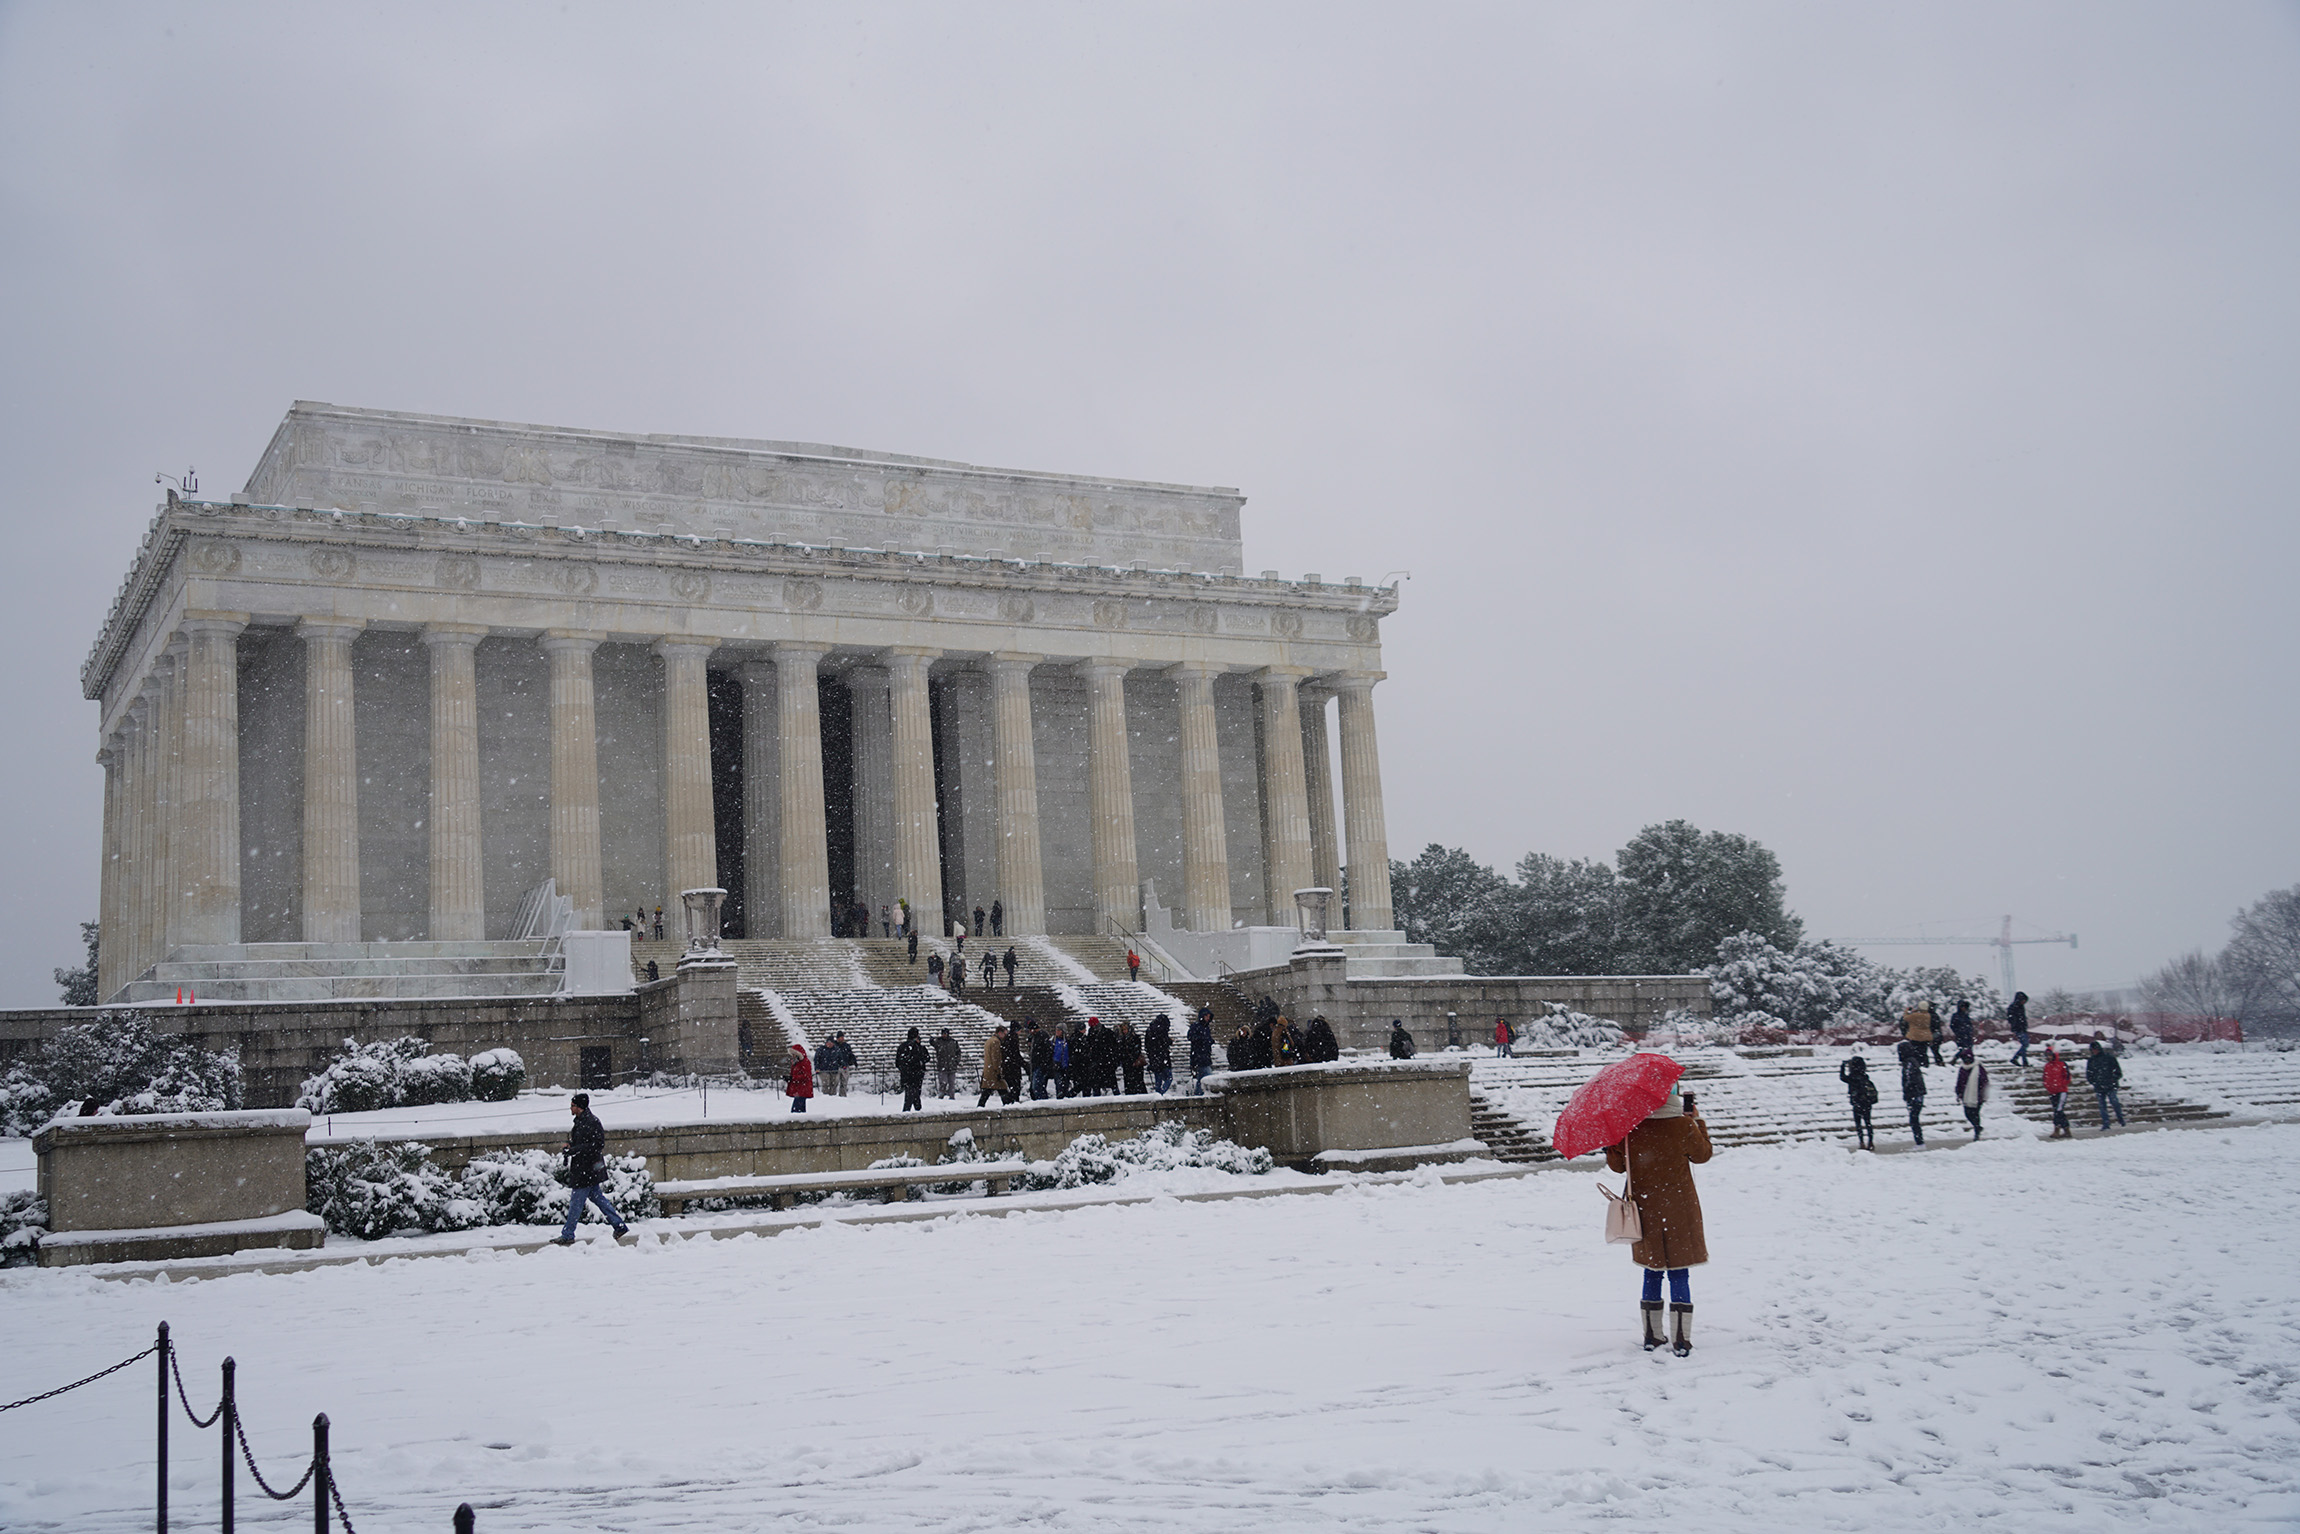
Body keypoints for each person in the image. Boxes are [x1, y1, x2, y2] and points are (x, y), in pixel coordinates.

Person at [1604, 1086, 1712, 1356]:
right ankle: (1681, 1339)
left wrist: (1611, 1140)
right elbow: (1703, 1155)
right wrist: (1697, 1121)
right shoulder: (1683, 1125)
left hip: (1645, 1208)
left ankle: (1652, 1336)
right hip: (1680, 1208)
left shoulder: (1631, 1128)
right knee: (1679, 1270)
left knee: (1651, 1270)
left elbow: (1618, 1167)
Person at [553, 1092, 630, 1244]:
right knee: (598, 1199)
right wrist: (571, 1145)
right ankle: (619, 1225)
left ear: (580, 1107)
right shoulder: (582, 1121)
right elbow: (584, 1142)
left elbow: (597, 1144)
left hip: (586, 1170)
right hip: (587, 1169)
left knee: (576, 1202)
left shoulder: (591, 1122)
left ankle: (568, 1234)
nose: (570, 1108)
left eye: (573, 1105)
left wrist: (575, 1149)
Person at [1839, 1054, 1879, 1149]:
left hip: (1857, 1102)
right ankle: (1870, 1142)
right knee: (1868, 1122)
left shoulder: (1852, 1078)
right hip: (1867, 1102)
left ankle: (1861, 1142)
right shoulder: (1865, 1077)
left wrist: (1842, 1066)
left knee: (1858, 1124)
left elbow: (1842, 1077)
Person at [2085, 1039, 2126, 1130]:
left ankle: (2120, 1118)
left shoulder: (2109, 1058)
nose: (2094, 1051)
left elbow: (2117, 1071)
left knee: (2114, 1102)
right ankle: (2106, 1123)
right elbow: (2089, 1074)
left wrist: (2112, 1079)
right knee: (2102, 1105)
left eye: (2095, 1049)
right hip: (2100, 1086)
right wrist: (2094, 1082)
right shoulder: (2092, 1060)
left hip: (2110, 1085)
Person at [1897, 1036, 1929, 1146]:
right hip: (1917, 1093)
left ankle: (1920, 1142)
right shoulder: (1913, 1061)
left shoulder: (1908, 1063)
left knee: (1914, 1119)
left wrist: (1907, 1093)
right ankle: (1919, 1142)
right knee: (1914, 1119)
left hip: (1914, 1093)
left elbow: (1909, 1079)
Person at [1953, 1049, 1989, 1139]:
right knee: (1968, 1113)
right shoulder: (1962, 1069)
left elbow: (1984, 1081)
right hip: (1966, 1095)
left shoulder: (1979, 1068)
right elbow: (1959, 1082)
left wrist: (1982, 1093)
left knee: (1975, 1113)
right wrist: (1958, 1093)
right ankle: (1978, 1127)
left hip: (1977, 1095)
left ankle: (1977, 1131)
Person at [978, 1024, 1015, 1107]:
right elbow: (996, 1058)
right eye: (1004, 1034)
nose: (1005, 1036)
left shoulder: (989, 1040)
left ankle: (981, 1106)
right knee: (1002, 1088)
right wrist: (998, 1070)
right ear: (1000, 1033)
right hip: (993, 1072)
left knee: (988, 1090)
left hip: (988, 1070)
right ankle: (1008, 1105)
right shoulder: (996, 1042)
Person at [2041, 1045, 2073, 1138]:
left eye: (2050, 1055)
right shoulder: (2047, 1066)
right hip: (2052, 1091)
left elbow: (2067, 1077)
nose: (2048, 1057)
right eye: (2047, 1055)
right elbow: (2044, 1078)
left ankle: (2057, 1129)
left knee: (2058, 1111)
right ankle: (2066, 1129)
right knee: (2058, 1111)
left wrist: (2061, 1085)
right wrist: (2048, 1086)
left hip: (2061, 1091)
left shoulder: (2062, 1064)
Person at [896, 1026, 929, 1112]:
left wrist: (903, 1069)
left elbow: (898, 1062)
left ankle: (916, 1108)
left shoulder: (902, 1046)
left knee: (911, 1093)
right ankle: (913, 1109)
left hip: (907, 1075)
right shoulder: (917, 1047)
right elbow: (925, 1057)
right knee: (914, 1093)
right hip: (916, 1074)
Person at [1903, 1000, 1943, 1067]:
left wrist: (1907, 1011)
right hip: (1926, 1036)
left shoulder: (1915, 1015)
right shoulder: (1928, 1015)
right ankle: (1925, 1064)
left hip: (1915, 1036)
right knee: (1924, 1052)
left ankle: (1918, 1064)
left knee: (1916, 1051)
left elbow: (1905, 1018)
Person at [1188, 1007, 1215, 1093]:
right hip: (1199, 1056)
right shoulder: (1196, 1026)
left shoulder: (1206, 1028)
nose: (1208, 1018)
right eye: (1206, 1016)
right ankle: (1202, 1093)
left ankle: (1199, 1093)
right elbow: (1191, 1037)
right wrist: (1205, 1040)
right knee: (1208, 1076)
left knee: (1201, 1078)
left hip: (1204, 1055)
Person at [1145, 1012, 1174, 1094]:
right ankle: (1161, 1093)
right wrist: (1169, 1041)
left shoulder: (1150, 1030)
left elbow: (1147, 1045)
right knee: (1169, 1077)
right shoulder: (1162, 1030)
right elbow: (1163, 1042)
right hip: (1163, 1057)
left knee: (1158, 1079)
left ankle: (1158, 1094)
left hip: (1154, 1058)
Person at [1117, 1021, 1147, 1095]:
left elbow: (1137, 1050)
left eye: (1125, 1029)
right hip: (1127, 1064)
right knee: (1129, 1083)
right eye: (1123, 1030)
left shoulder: (1135, 1038)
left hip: (1135, 1064)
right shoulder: (1122, 1040)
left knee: (1138, 1082)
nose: (1124, 1031)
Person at [1028, 1020, 1053, 1100]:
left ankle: (1042, 1102)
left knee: (1037, 1087)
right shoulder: (1036, 1036)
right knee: (1036, 1087)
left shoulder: (1042, 1035)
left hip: (1040, 1065)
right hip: (1037, 1065)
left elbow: (1048, 1050)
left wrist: (1044, 1063)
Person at [785, 1043, 813, 1113]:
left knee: (796, 1110)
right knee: (800, 1110)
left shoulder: (804, 1062)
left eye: (794, 1054)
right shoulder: (796, 1063)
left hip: (802, 1089)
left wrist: (792, 1078)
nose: (793, 1056)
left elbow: (806, 1076)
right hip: (800, 1089)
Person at [933, 1027, 960, 1099]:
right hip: (942, 1066)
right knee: (943, 1083)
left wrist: (956, 1061)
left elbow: (958, 1052)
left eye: (945, 1034)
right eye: (943, 1034)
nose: (944, 1035)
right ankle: (941, 1095)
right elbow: (933, 1043)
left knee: (951, 1083)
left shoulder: (953, 1042)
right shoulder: (939, 1042)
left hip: (951, 1066)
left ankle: (952, 1096)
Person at [2007, 991, 2032, 1067]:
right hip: (2018, 1029)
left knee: (2025, 1044)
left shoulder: (2020, 1007)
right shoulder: (2013, 1007)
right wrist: (2016, 1025)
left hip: (2022, 1028)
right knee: (2025, 1044)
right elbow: (2011, 1018)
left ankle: (2016, 1058)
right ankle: (2024, 1061)